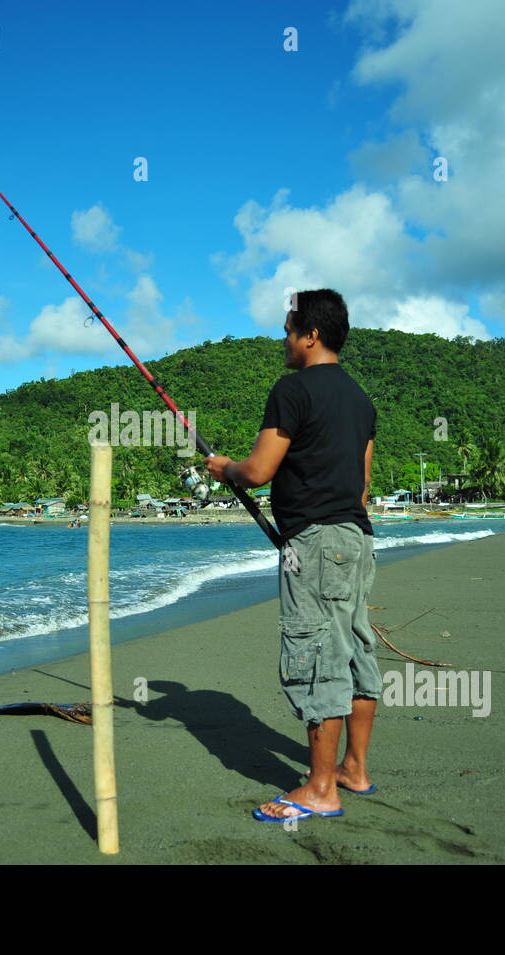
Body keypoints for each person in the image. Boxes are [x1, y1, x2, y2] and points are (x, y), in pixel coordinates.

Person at [204, 289, 378, 822]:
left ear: (311, 335)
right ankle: (354, 769)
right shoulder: (362, 401)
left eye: (287, 329)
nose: (283, 339)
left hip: (316, 544)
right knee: (354, 650)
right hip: (356, 539)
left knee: (316, 657)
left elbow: (259, 471)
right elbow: (364, 486)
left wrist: (225, 467)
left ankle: (321, 788)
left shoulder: (292, 390)